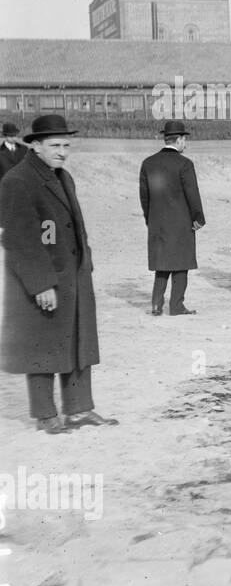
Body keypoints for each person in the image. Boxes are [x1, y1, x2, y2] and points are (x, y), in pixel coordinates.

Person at [1, 114, 116, 433]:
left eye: (66, 145)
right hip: (41, 279)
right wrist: (41, 285)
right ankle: (45, 415)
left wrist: (86, 264)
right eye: (55, 145)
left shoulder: (63, 177)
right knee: (41, 344)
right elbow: (18, 239)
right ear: (35, 145)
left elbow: (75, 226)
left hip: (74, 275)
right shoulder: (17, 181)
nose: (62, 151)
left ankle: (79, 409)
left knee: (78, 340)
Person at [139, 118, 205, 315]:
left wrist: (149, 219)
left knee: (162, 264)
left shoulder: (148, 163)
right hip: (181, 222)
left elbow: (144, 196)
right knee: (181, 264)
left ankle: (156, 305)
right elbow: (192, 193)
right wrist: (198, 217)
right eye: (185, 139)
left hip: (157, 222)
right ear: (179, 140)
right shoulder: (185, 164)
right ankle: (176, 305)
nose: (186, 143)